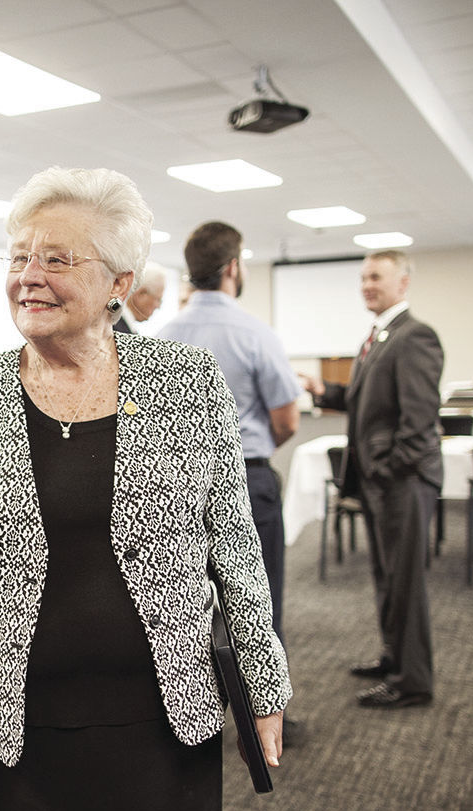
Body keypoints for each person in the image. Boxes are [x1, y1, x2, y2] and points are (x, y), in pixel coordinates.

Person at [0, 166, 291, 811]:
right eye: (18, 257)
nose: (28, 277)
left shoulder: (187, 380)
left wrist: (265, 689)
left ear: (119, 280)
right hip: (28, 728)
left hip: (163, 721)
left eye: (55, 258)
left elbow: (235, 550)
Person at [159, 222, 302, 742]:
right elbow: (287, 421)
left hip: (172, 490)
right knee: (258, 601)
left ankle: (187, 713)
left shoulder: (161, 339)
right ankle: (264, 717)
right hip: (249, 479)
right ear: (234, 268)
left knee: (182, 607)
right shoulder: (255, 333)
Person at [299, 250, 442, 708]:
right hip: (383, 482)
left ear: (403, 283)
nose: (366, 285)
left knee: (405, 584)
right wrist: (328, 392)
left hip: (402, 482)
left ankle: (413, 682)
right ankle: (394, 658)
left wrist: (386, 470)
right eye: (362, 277)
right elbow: (371, 404)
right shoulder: (379, 335)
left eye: (376, 277)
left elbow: (418, 424)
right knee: (387, 577)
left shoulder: (415, 336)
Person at [112, 259, 166, 333]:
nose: (158, 306)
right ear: (141, 294)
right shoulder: (116, 329)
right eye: (158, 299)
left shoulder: (124, 327)